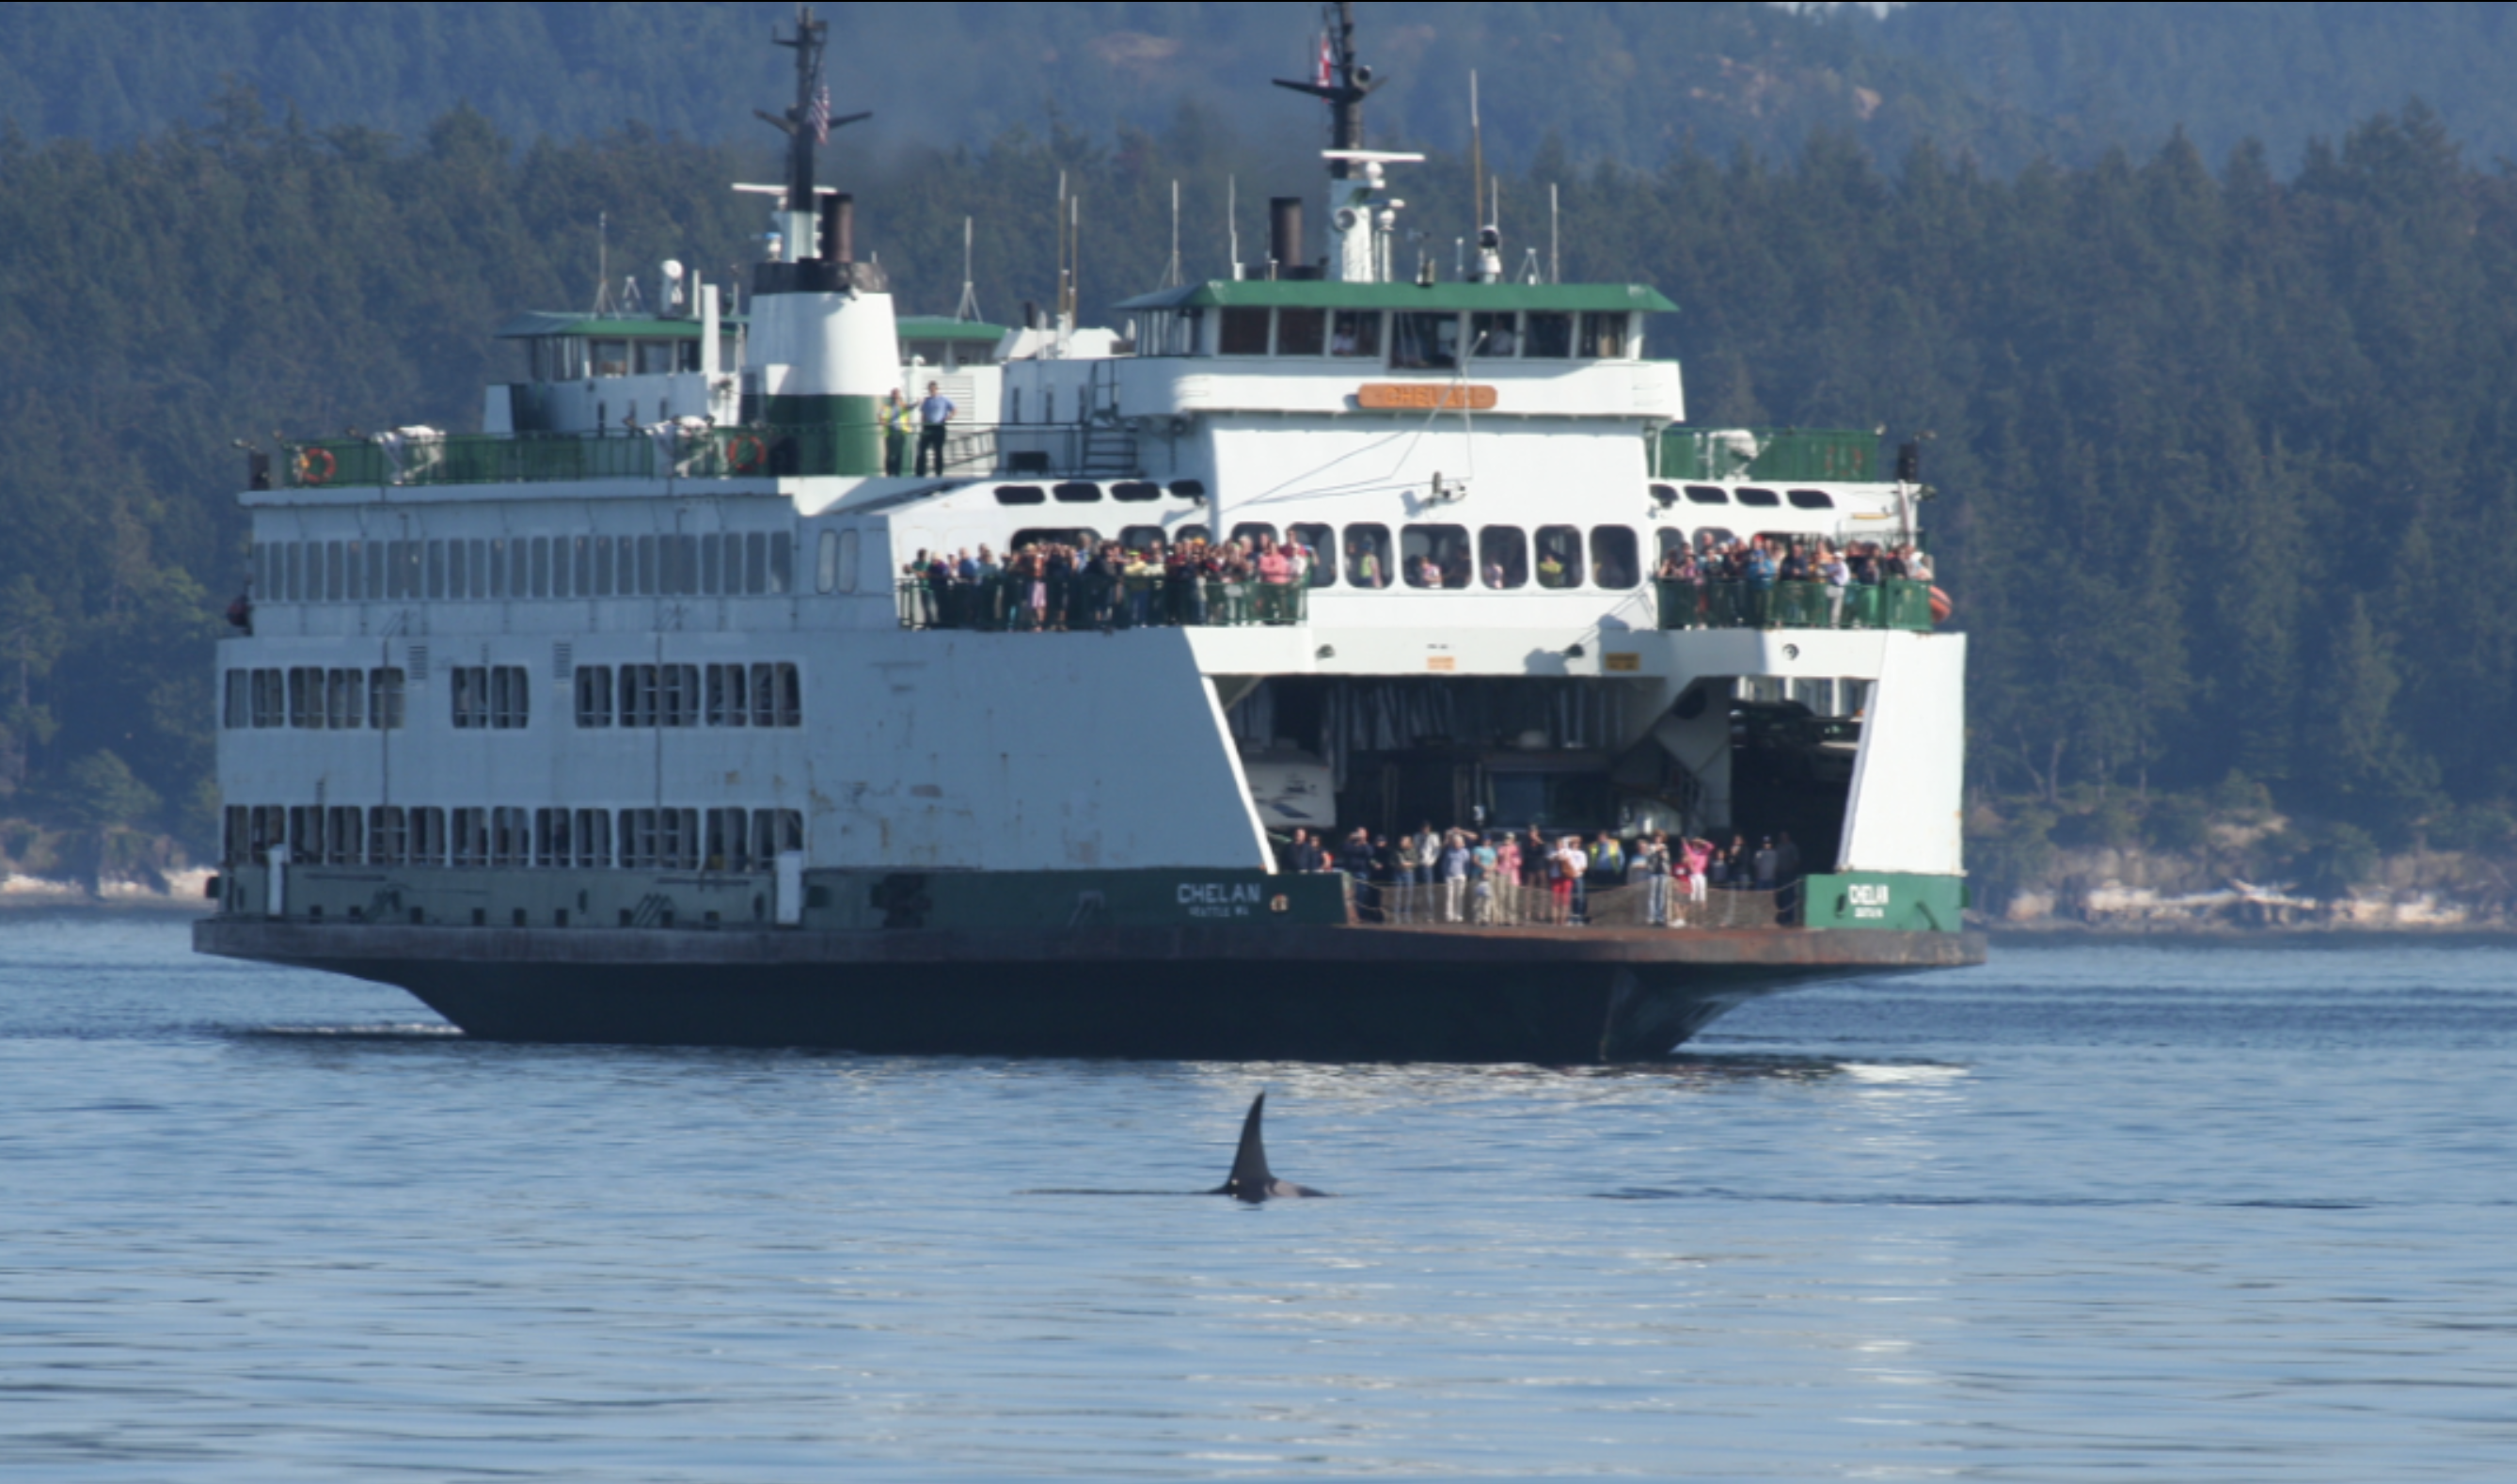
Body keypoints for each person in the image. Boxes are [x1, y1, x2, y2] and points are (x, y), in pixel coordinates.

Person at [915, 380, 954, 476]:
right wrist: (922, 426)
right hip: (928, 427)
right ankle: (921, 472)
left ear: (936, 389)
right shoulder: (926, 400)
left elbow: (954, 409)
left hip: (939, 427)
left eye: (933, 389)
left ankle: (938, 472)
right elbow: (923, 414)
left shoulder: (944, 399)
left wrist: (949, 417)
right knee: (922, 449)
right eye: (930, 389)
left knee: (938, 451)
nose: (932, 390)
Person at [880, 388, 911, 476]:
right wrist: (884, 422)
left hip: (901, 432)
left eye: (897, 395)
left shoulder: (903, 406)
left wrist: (917, 403)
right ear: (891, 396)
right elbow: (881, 416)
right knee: (890, 454)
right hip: (890, 433)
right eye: (894, 395)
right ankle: (889, 473)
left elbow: (909, 410)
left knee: (899, 453)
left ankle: (898, 473)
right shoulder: (886, 407)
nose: (896, 397)